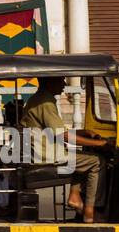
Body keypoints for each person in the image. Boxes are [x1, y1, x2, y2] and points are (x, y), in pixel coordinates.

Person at [19, 76, 111, 222]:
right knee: (97, 162)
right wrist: (99, 144)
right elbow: (63, 136)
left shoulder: (38, 99)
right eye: (60, 80)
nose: (63, 84)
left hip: (44, 151)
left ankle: (75, 197)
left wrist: (85, 132)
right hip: (47, 155)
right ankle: (89, 211)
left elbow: (59, 130)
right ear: (49, 82)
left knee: (82, 158)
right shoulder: (45, 103)